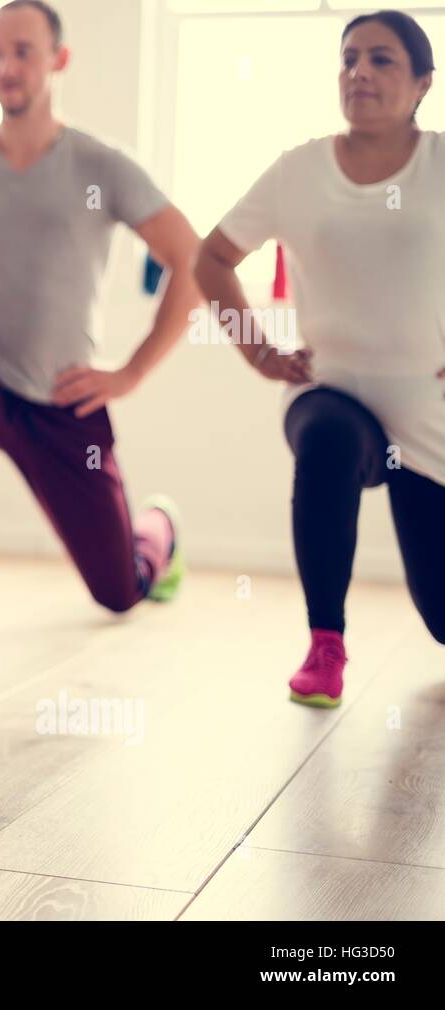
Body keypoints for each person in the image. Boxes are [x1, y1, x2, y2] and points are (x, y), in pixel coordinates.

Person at [0, 0, 200, 654]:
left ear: (59, 59)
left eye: (23, 50)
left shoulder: (102, 166)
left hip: (62, 397)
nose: (6, 66)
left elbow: (191, 261)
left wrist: (131, 372)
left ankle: (159, 529)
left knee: (119, 593)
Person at [196, 9, 442, 708]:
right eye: (349, 58)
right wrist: (260, 353)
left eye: (382, 60)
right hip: (330, 391)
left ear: (423, 82)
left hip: (429, 412)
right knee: (328, 441)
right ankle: (325, 645)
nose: (359, 71)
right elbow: (211, 257)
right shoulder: (298, 170)